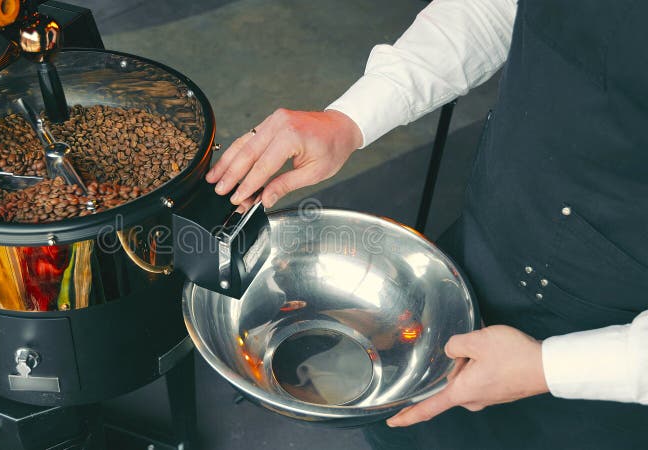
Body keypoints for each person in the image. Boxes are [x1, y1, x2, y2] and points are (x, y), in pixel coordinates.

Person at [206, 0, 648, 448]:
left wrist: (551, 367)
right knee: (408, 428)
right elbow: (497, 7)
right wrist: (350, 120)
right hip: (489, 238)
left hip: (608, 347)